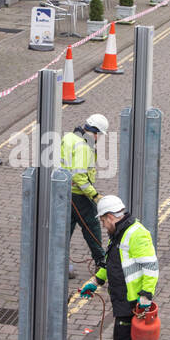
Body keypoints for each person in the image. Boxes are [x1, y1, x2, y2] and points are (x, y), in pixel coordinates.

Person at [79, 195, 158, 340]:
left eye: (103, 221)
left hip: (131, 301)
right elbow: (111, 262)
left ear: (111, 217)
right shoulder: (120, 233)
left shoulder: (136, 235)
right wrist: (96, 281)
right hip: (122, 299)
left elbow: (150, 267)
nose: (103, 226)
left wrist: (145, 296)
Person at [61, 114, 108, 277]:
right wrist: (94, 196)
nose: (98, 138)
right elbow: (80, 176)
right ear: (94, 132)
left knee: (65, 229)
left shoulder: (69, 137)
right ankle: (101, 262)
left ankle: (60, 262)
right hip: (79, 195)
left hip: (63, 192)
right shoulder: (83, 147)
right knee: (92, 227)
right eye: (99, 135)